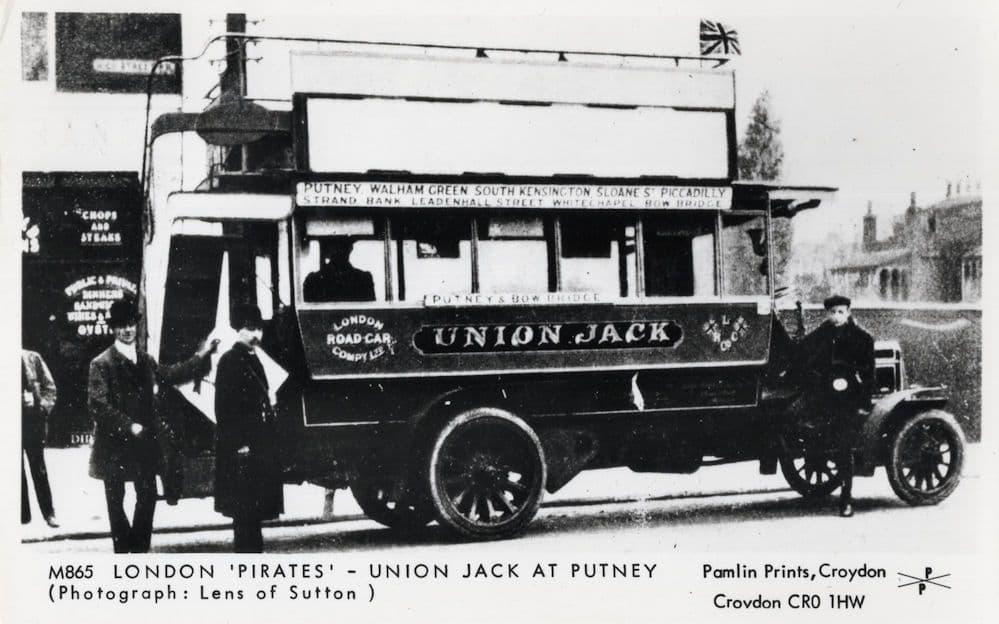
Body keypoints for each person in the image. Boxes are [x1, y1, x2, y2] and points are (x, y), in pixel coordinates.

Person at [87, 298, 215, 553]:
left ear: (136, 326)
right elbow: (98, 405)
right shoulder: (101, 363)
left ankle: (138, 548)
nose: (127, 330)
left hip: (143, 442)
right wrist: (129, 425)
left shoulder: (145, 360)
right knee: (115, 500)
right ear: (113, 329)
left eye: (131, 324)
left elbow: (172, 374)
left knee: (147, 496)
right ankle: (123, 550)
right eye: (121, 326)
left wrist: (202, 355)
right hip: (114, 444)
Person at [786, 294, 875, 517]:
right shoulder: (821, 334)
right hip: (822, 398)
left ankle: (846, 500)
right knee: (794, 420)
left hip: (847, 400)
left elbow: (869, 375)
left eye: (840, 312)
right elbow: (802, 354)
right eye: (832, 312)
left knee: (844, 446)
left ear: (848, 313)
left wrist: (863, 404)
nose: (836, 316)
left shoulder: (862, 338)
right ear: (827, 313)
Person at [214, 304, 284, 552]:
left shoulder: (253, 359)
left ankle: (254, 553)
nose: (256, 334)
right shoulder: (230, 360)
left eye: (259, 329)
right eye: (250, 328)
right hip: (243, 448)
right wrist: (239, 444)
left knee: (253, 509)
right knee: (244, 511)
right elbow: (224, 408)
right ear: (238, 329)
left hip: (257, 444)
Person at [22, 349, 58, 527]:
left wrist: (42, 408)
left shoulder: (33, 358)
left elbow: (50, 387)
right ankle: (23, 515)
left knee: (39, 468)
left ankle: (49, 514)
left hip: (32, 422)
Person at [303, 237, 376, 302]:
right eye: (335, 247)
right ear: (351, 248)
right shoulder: (364, 278)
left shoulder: (313, 280)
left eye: (342, 246)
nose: (339, 250)